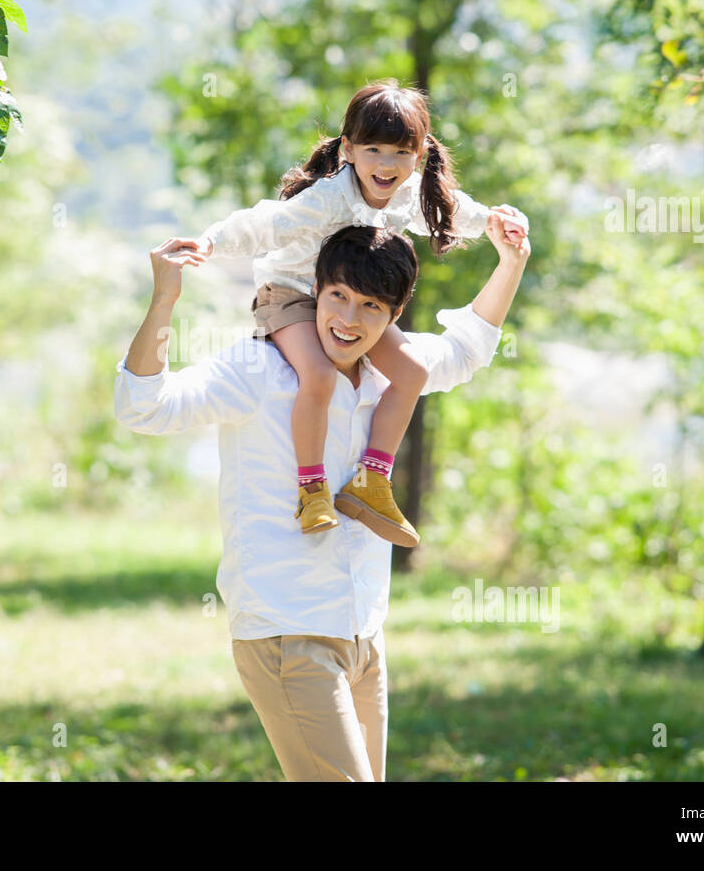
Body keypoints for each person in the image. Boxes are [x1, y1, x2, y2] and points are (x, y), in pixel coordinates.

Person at [114, 219, 530, 781]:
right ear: (316, 290)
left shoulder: (387, 380)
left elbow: (465, 350)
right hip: (289, 633)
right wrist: (164, 298)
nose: (349, 320)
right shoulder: (259, 369)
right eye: (338, 297)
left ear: (392, 318)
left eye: (371, 308)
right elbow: (144, 407)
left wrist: (510, 263)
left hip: (363, 635)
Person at [189, 78, 528, 547]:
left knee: (410, 372)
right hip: (290, 294)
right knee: (320, 375)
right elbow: (269, 222)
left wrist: (497, 221)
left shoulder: (408, 193)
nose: (386, 166)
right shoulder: (331, 197)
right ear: (348, 149)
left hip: (348, 301)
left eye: (400, 154)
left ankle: (372, 480)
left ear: (420, 154)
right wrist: (212, 241)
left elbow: (452, 209)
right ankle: (312, 490)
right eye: (373, 150)